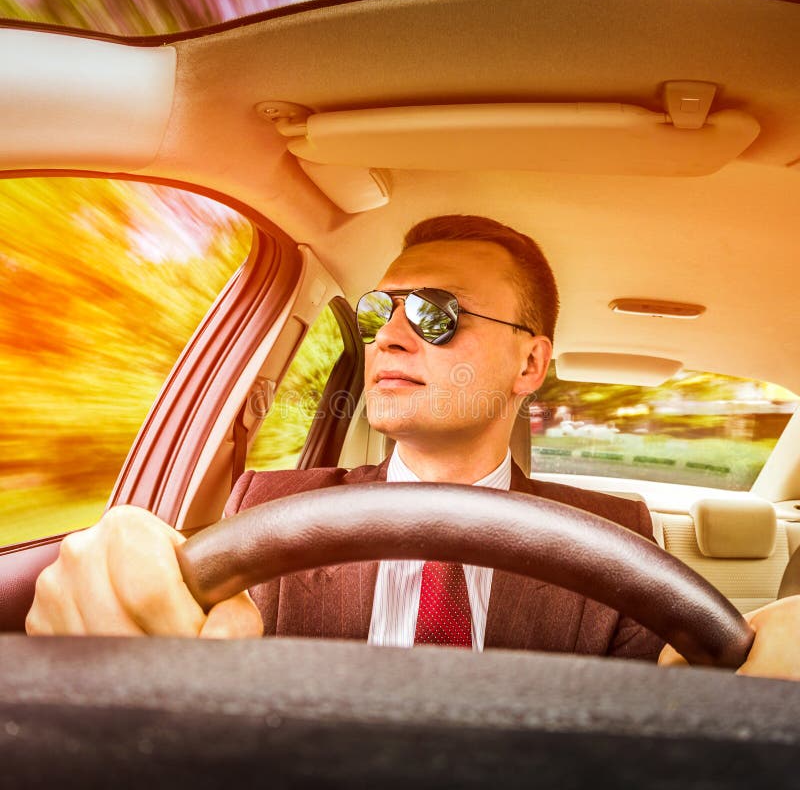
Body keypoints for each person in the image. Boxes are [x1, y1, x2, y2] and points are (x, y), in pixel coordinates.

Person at [26, 215, 800, 679]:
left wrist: (744, 687)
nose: (390, 336)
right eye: (378, 311)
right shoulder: (268, 506)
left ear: (530, 363)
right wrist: (117, 584)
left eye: (436, 314)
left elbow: (658, 722)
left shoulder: (620, 537)